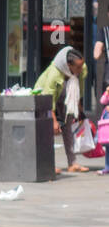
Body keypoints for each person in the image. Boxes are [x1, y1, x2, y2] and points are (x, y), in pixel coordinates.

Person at [35, 46, 90, 174]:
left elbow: (80, 90)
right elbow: (49, 99)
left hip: (67, 98)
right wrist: (54, 121)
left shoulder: (82, 68)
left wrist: (79, 109)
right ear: (68, 65)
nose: (80, 69)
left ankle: (72, 163)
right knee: (48, 131)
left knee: (68, 128)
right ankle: (48, 165)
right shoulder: (55, 73)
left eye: (81, 66)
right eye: (77, 67)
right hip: (45, 99)